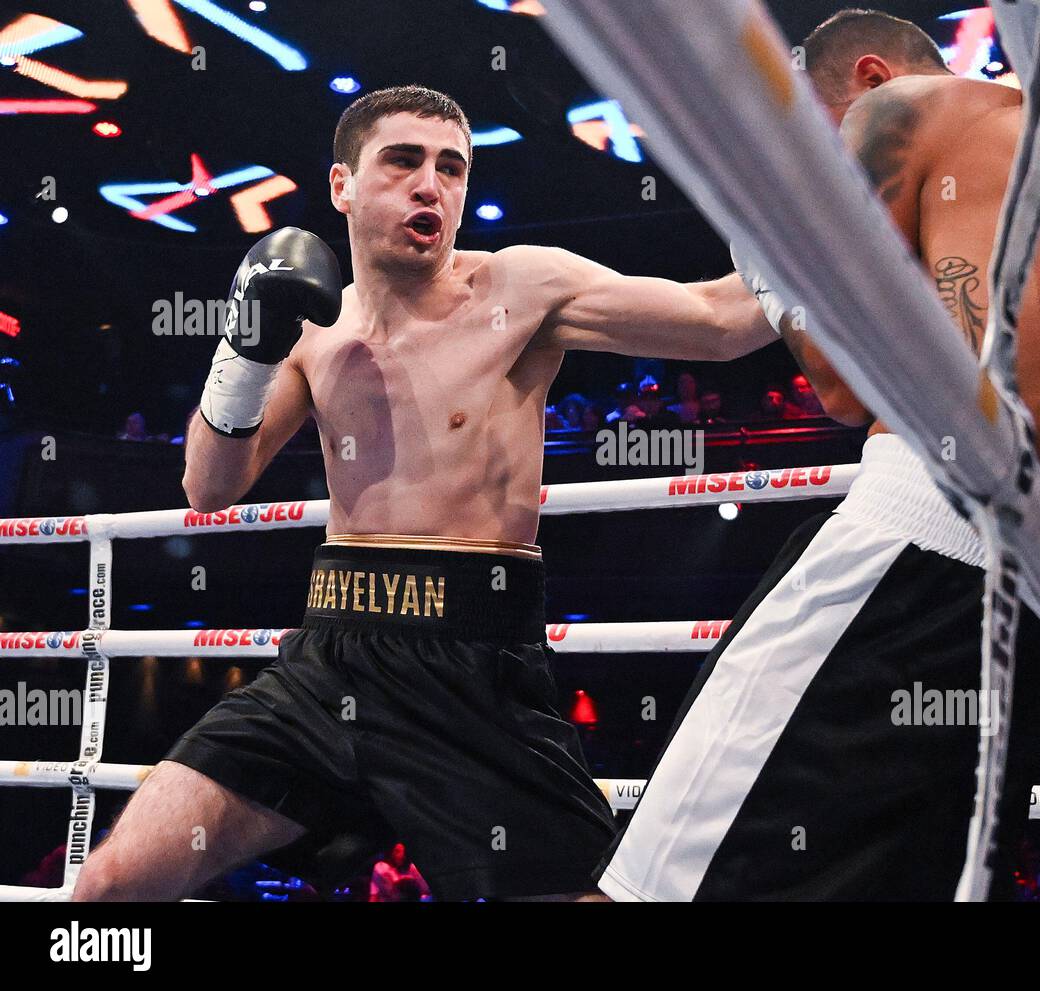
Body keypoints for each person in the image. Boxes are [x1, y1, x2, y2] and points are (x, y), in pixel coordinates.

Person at [72, 84, 775, 902]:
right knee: (111, 884)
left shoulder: (521, 290)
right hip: (330, 657)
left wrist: (825, 219)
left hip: (476, 667)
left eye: (451, 168)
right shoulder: (312, 329)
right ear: (342, 185)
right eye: (403, 161)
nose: (430, 185)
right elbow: (208, 488)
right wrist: (243, 349)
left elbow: (719, 321)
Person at [596, 8, 1040, 900]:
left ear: (865, 79)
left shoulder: (893, 111)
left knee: (652, 881)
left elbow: (848, 391)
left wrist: (773, 252)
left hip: (915, 552)